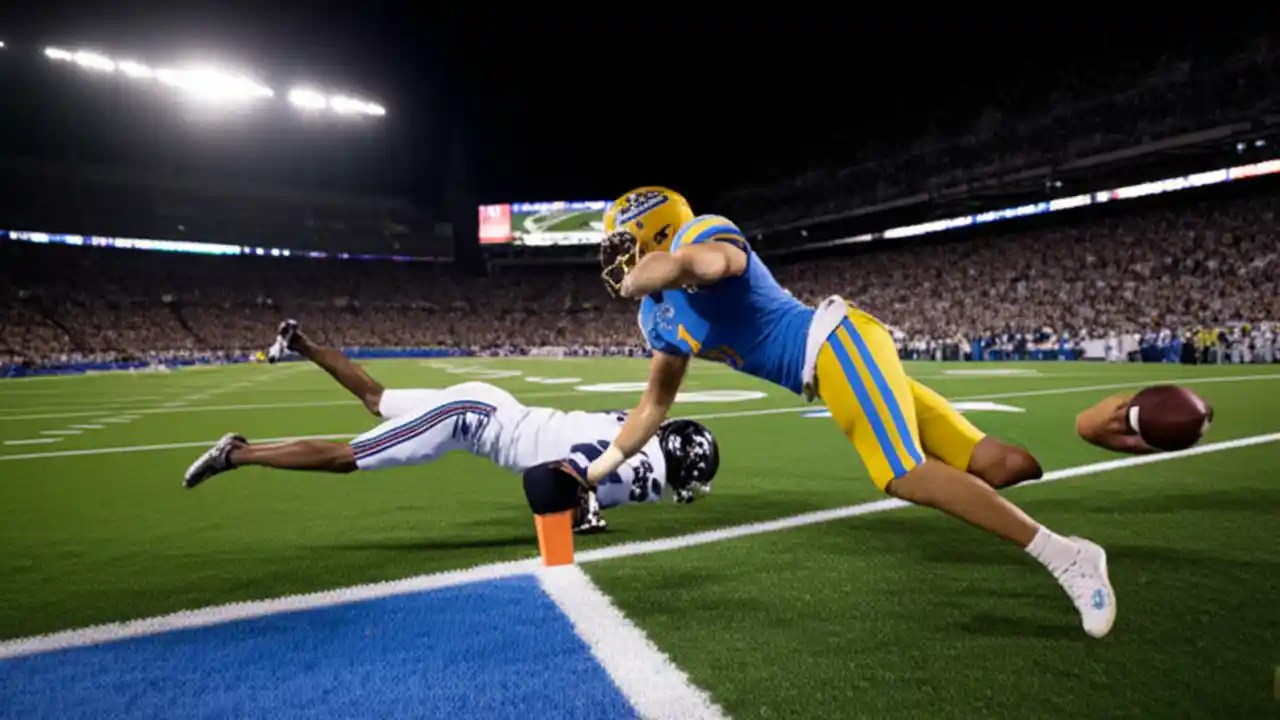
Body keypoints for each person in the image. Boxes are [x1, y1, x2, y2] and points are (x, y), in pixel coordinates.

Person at [585, 187, 1116, 637]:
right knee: (1001, 465)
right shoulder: (656, 317)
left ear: (656, 233)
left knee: (901, 473)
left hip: (837, 342)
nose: (618, 263)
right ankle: (1111, 447)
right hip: (835, 370)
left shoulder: (700, 238)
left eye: (626, 247)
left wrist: (658, 269)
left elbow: (705, 263)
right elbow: (655, 403)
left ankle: (1066, 555)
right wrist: (598, 469)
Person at [183, 321, 720, 534]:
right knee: (349, 456)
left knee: (376, 399)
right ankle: (238, 453)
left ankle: (301, 345)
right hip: (471, 420)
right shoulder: (642, 476)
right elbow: (552, 477)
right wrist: (578, 507)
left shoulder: (638, 430)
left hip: (491, 406)